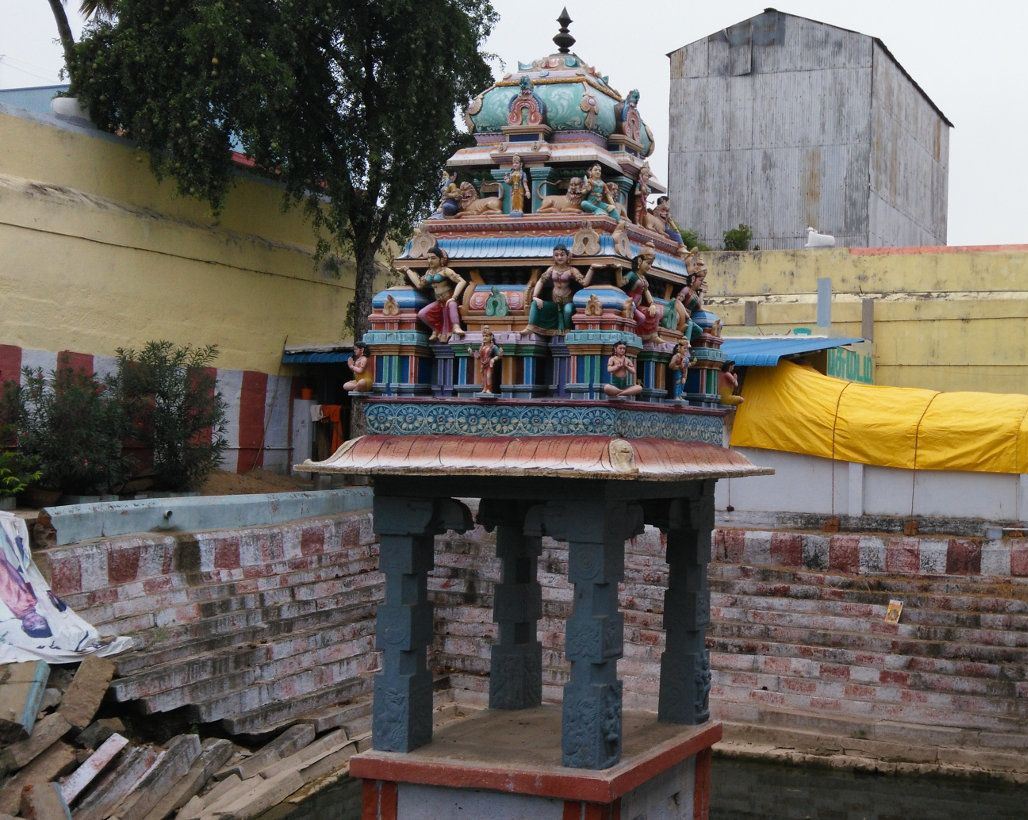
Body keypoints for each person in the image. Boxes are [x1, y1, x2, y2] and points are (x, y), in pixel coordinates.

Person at [525, 245, 598, 335]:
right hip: (555, 303)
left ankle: (567, 330)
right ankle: (531, 327)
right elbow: (541, 281)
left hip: (568, 302)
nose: (559, 257)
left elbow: (584, 283)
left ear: (568, 256)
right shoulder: (551, 270)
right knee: (535, 303)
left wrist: (592, 269)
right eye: (556, 255)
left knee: (567, 310)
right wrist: (535, 296)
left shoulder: (572, 270)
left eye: (562, 255)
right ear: (553, 257)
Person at [401, 245, 467, 342]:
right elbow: (419, 285)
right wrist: (408, 270)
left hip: (449, 299)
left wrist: (454, 297)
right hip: (439, 302)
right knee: (422, 314)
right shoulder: (428, 273)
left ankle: (456, 326)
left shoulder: (445, 271)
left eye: (433, 258)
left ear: (440, 259)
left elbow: (462, 281)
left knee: (452, 304)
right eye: (428, 258)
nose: (430, 261)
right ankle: (436, 329)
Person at [618, 246, 664, 340]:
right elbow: (620, 283)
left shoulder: (643, 278)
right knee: (642, 318)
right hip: (630, 304)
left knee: (656, 312)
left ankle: (652, 335)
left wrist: (652, 304)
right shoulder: (632, 275)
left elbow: (647, 292)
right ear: (639, 261)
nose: (650, 267)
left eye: (651, 264)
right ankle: (633, 333)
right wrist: (618, 271)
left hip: (637, 306)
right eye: (648, 263)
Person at [473, 327, 503, 395]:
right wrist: (471, 353)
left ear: (491, 337)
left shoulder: (493, 347)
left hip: (489, 364)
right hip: (483, 364)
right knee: (483, 377)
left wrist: (493, 359)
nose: (484, 338)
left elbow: (499, 355)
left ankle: (489, 389)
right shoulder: (481, 347)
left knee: (489, 376)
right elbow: (478, 356)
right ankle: (484, 389)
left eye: (486, 336)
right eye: (483, 336)